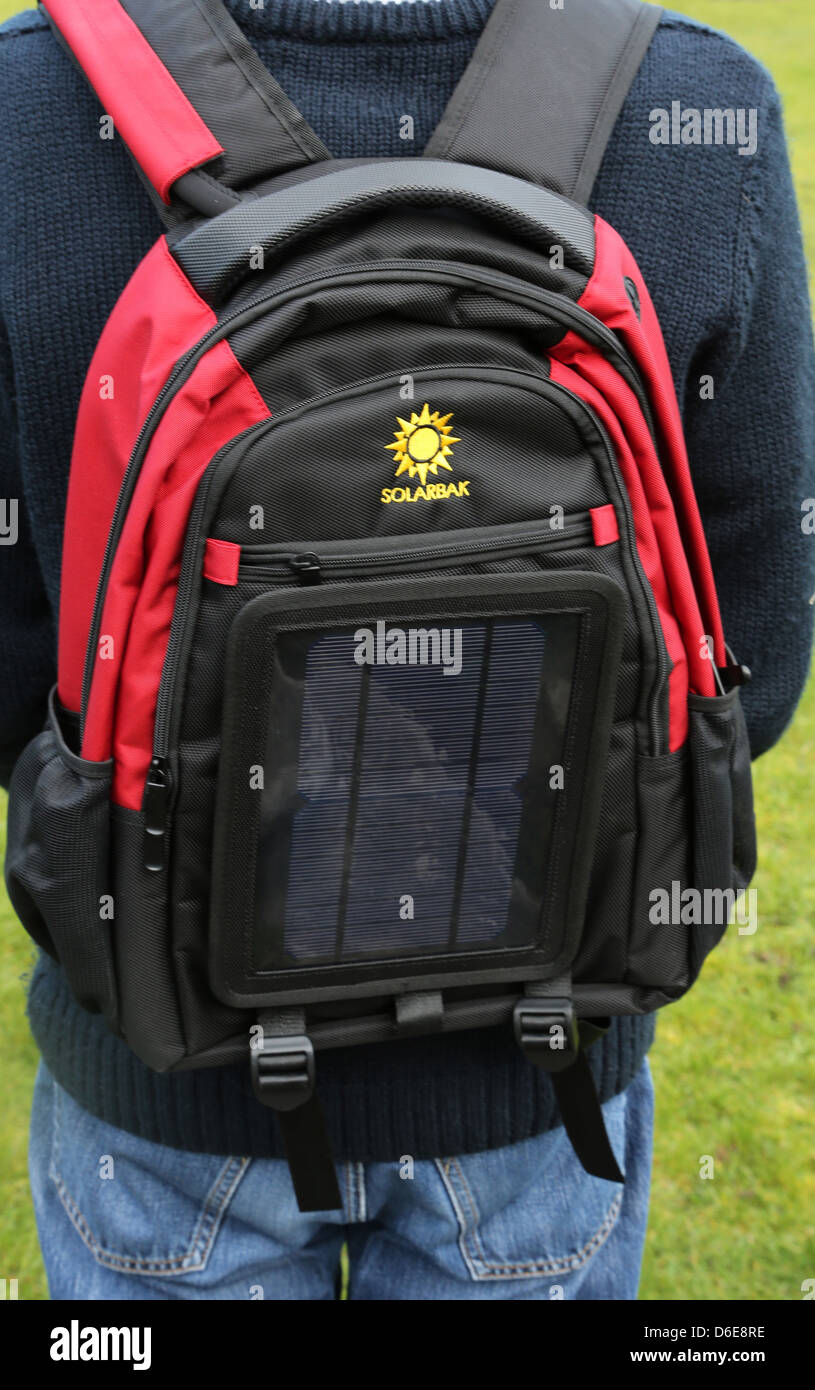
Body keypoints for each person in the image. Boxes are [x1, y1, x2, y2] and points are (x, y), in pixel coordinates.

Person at [1, 0, 812, 1302]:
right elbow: (748, 655)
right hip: (544, 1085)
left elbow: (19, 676)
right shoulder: (682, 94)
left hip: (166, 1091)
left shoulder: (35, 98)